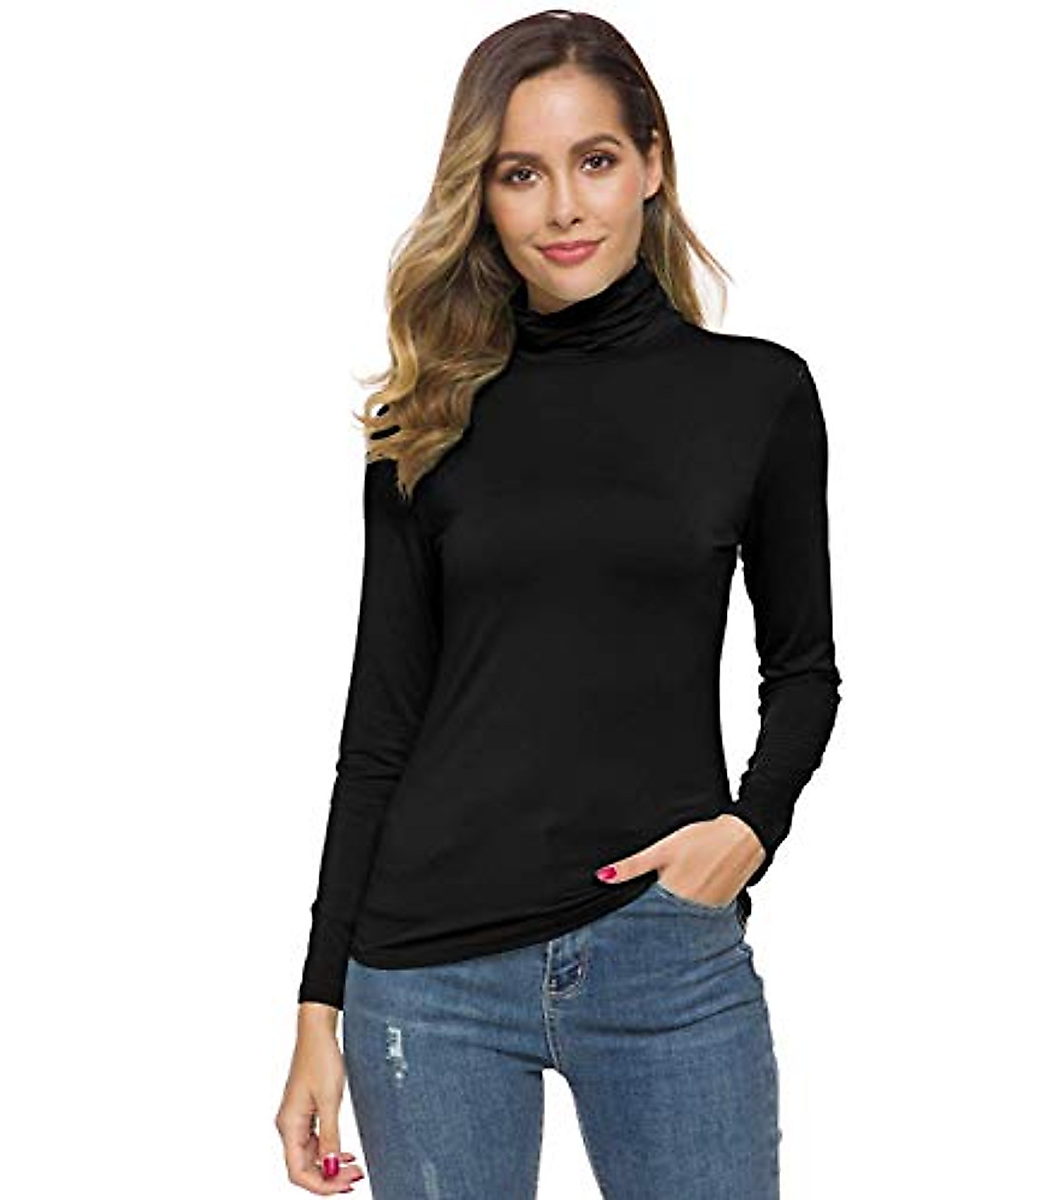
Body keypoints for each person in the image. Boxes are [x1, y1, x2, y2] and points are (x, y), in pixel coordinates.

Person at [275, 10, 842, 1198]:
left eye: (595, 160)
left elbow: (803, 671)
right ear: (481, 197)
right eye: (520, 174)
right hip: (426, 977)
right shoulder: (425, 422)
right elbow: (379, 727)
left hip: (664, 955)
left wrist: (751, 828)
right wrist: (319, 1004)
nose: (564, 208)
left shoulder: (757, 397)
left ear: (651, 164)